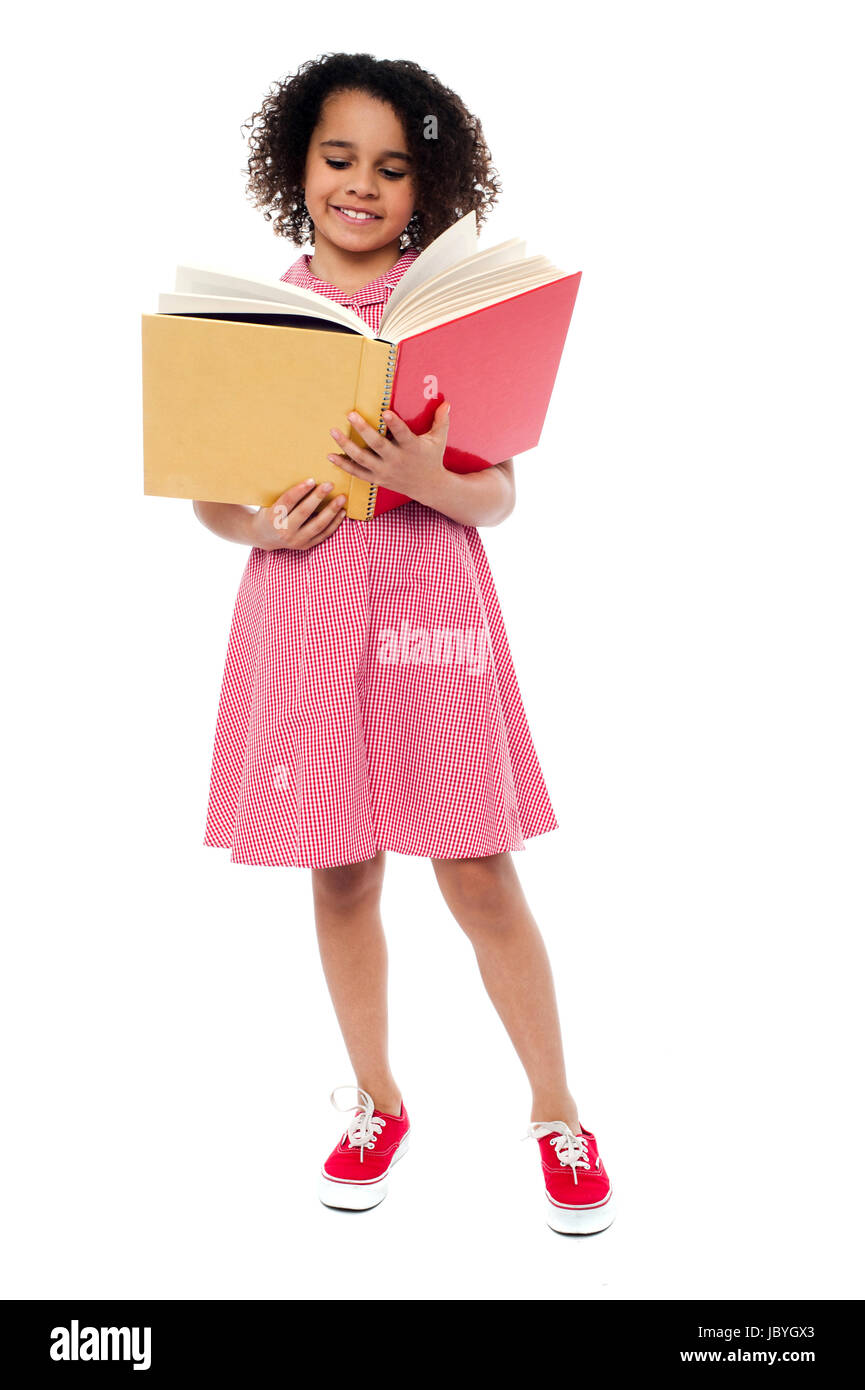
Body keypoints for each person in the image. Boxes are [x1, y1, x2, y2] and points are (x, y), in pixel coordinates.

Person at [193, 52, 614, 1235]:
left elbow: (499, 499)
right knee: (340, 869)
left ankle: (557, 1108)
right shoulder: (253, 314)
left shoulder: (453, 308)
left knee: (477, 864)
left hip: (433, 612)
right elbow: (212, 500)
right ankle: (376, 1099)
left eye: (391, 167)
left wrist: (433, 473)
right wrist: (263, 521)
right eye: (339, 159)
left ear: (424, 187)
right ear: (299, 166)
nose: (361, 187)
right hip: (307, 603)